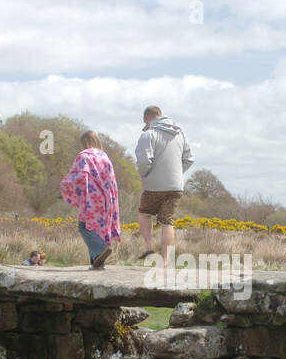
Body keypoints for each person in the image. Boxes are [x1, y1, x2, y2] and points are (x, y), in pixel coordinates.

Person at [133, 105, 193, 264]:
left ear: (147, 118)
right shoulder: (181, 134)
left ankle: (148, 246)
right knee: (168, 222)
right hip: (175, 186)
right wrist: (177, 174)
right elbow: (189, 159)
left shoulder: (149, 135)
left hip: (153, 185)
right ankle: (165, 262)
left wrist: (144, 175)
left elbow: (144, 161)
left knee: (144, 212)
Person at [60, 131, 121, 270]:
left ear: (85, 142)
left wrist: (65, 185)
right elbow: (111, 180)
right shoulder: (104, 156)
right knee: (98, 229)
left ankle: (101, 249)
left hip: (91, 197)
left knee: (84, 227)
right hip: (107, 199)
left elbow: (80, 176)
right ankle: (97, 263)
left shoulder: (84, 156)